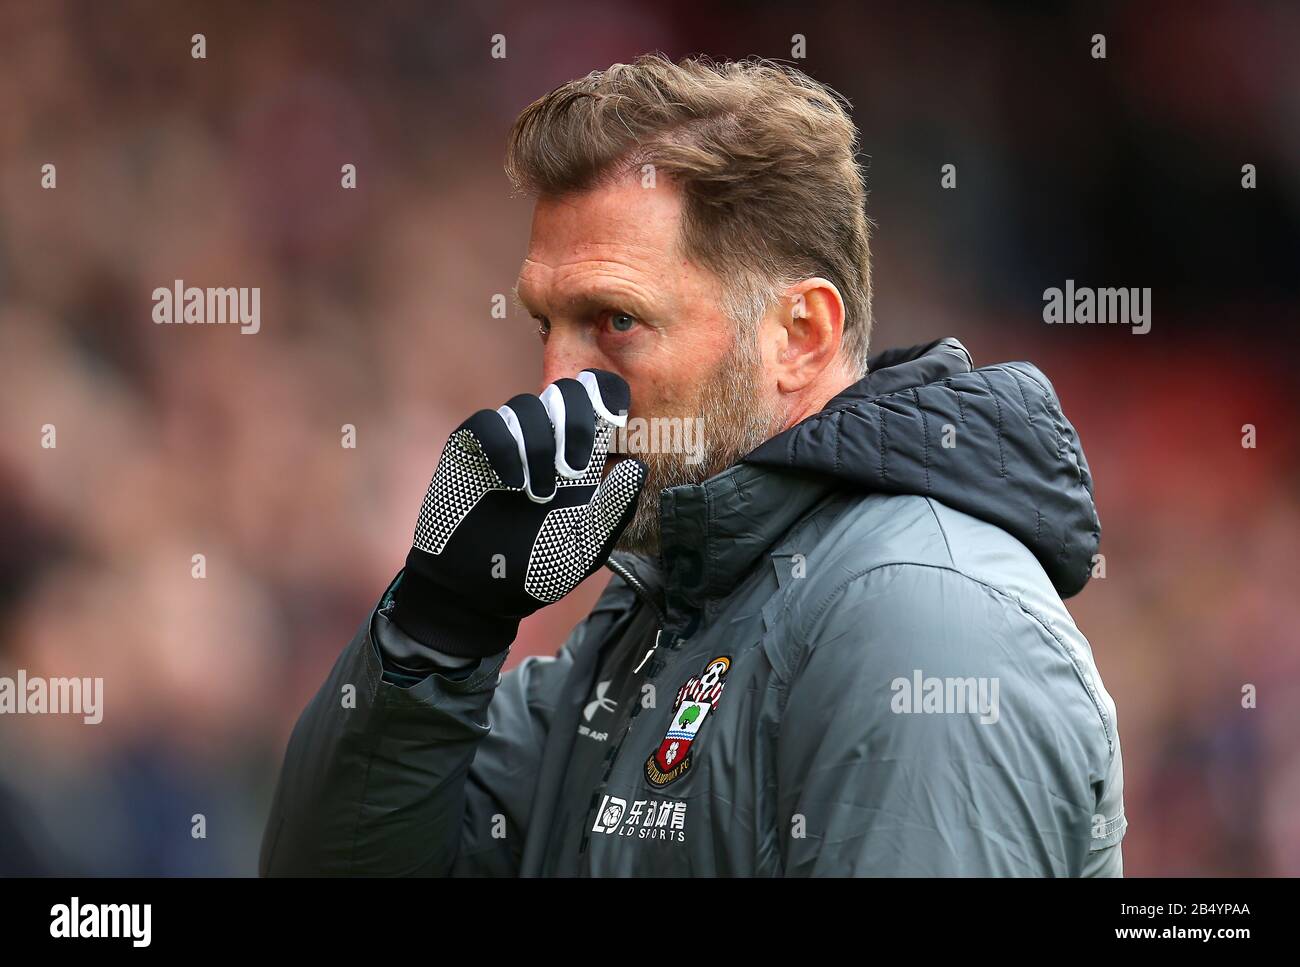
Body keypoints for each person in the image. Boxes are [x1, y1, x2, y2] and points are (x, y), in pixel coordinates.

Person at [260, 54, 1125, 876]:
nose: (557, 379)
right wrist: (435, 636)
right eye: (545, 325)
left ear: (799, 337)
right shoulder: (649, 619)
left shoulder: (924, 623)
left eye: (616, 320)